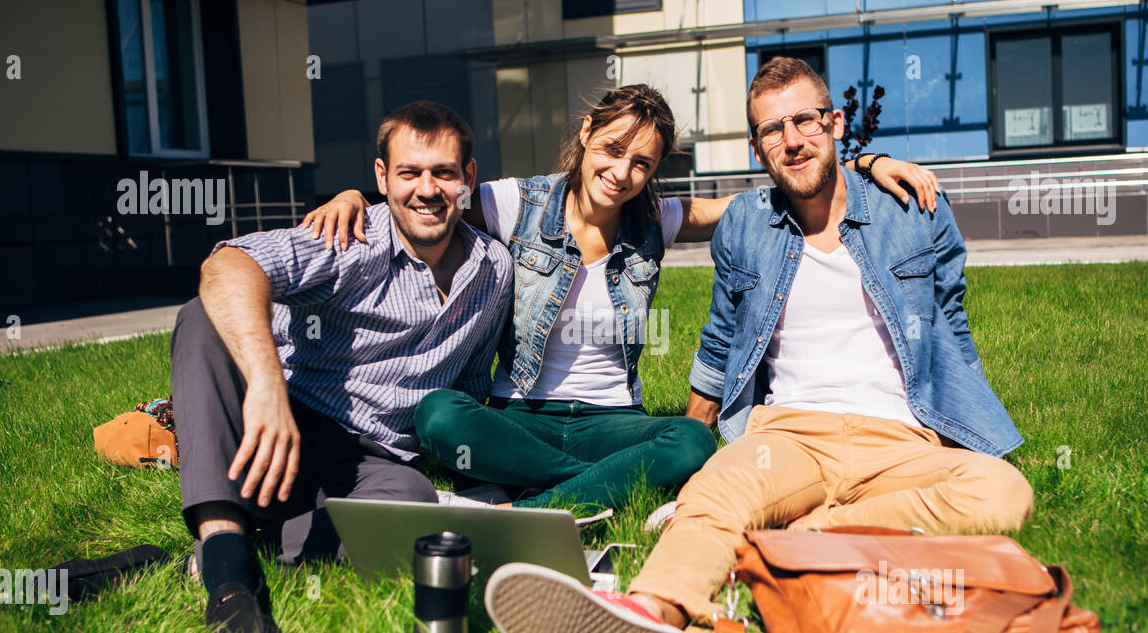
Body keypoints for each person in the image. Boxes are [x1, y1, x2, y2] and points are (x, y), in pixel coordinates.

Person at [482, 57, 1034, 633]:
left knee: (1004, 490)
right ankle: (648, 613)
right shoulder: (748, 223)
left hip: (903, 438)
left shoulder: (912, 208)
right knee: (717, 496)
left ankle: (806, 533)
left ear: (835, 122)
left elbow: (952, 326)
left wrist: (870, 163)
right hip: (788, 437)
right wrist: (699, 455)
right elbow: (718, 342)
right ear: (756, 144)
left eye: (804, 121)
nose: (791, 140)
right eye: (773, 130)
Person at [304, 84, 939, 517]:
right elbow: (426, 191)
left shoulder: (654, 219)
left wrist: (860, 164)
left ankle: (528, 511)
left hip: (613, 422)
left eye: (641, 163)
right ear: (586, 134)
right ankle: (589, 496)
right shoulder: (513, 202)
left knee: (693, 443)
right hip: (520, 414)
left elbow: (762, 198)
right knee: (439, 415)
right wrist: (354, 196)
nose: (621, 172)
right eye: (612, 150)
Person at [172, 100, 512, 633]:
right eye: (409, 173)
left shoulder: (494, 271)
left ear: (468, 177)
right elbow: (228, 264)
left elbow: (468, 389)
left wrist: (479, 483)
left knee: (414, 507)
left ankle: (225, 546)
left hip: (370, 467)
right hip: (276, 432)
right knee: (201, 317)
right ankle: (230, 582)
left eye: (444, 173)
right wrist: (265, 385)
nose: (427, 189)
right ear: (381, 177)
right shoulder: (347, 236)